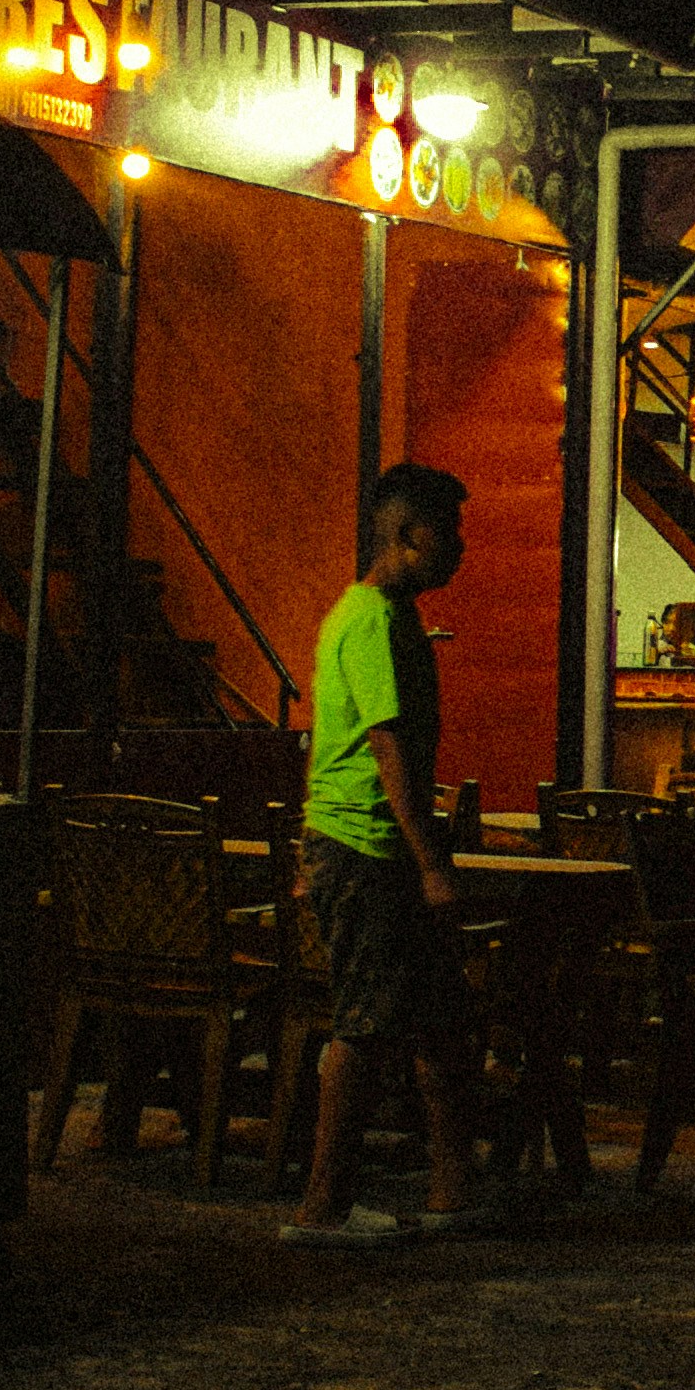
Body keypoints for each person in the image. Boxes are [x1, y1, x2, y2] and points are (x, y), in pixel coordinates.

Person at [292, 464, 492, 1249]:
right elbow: (389, 748)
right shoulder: (374, 619)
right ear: (410, 535)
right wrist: (432, 862)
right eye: (451, 531)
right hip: (369, 846)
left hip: (360, 843)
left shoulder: (374, 614)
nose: (462, 548)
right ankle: (321, 1211)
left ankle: (455, 1191)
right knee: (366, 1025)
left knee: (443, 1022)